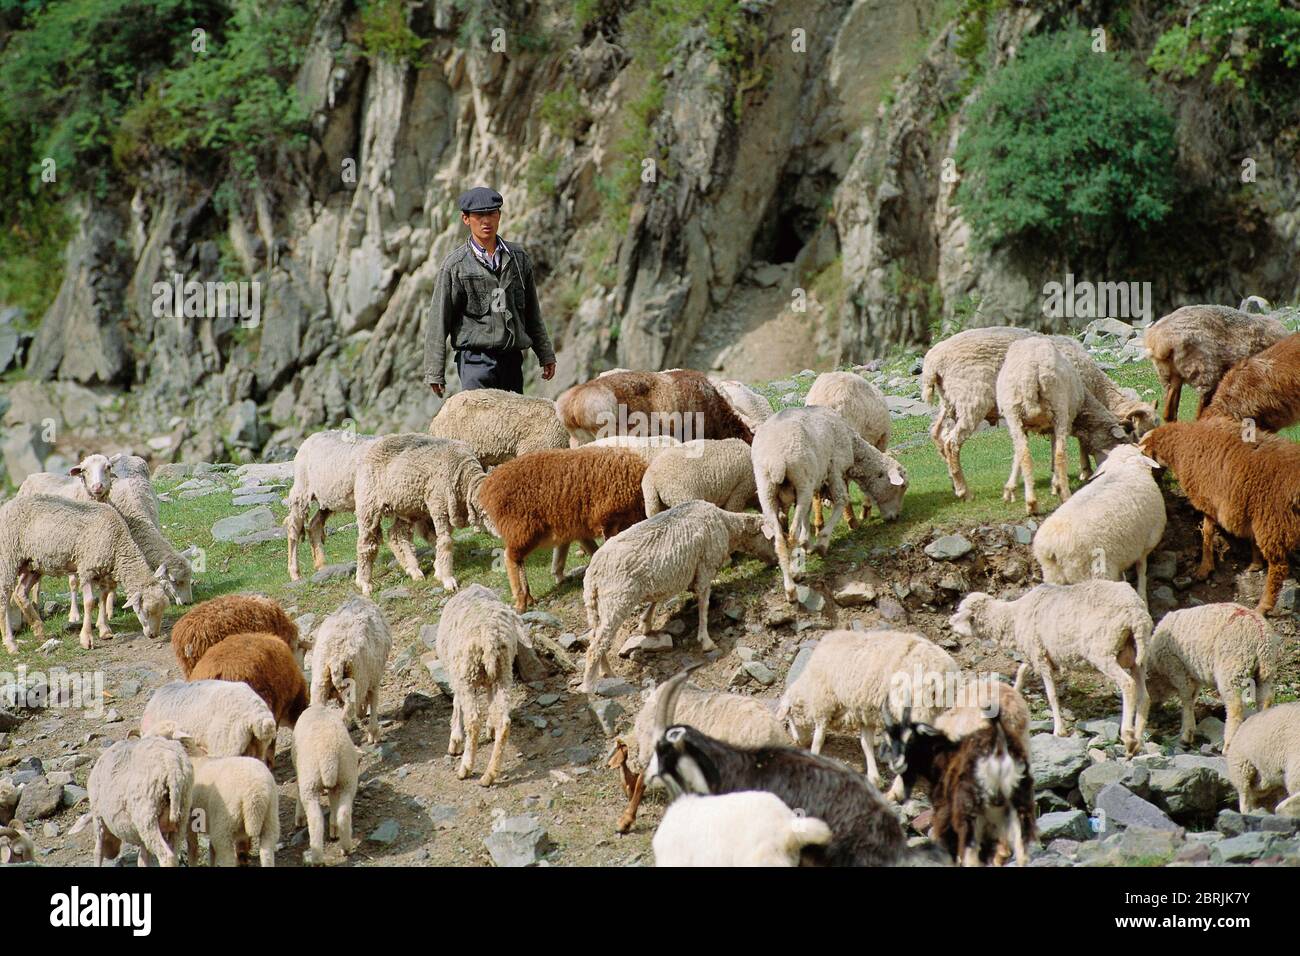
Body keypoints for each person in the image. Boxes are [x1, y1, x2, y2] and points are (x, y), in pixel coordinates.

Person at [423, 186, 557, 395]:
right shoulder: (455, 266)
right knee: (480, 421)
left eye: (492, 213)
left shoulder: (518, 258)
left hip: (512, 359)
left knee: (512, 424)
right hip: (475, 361)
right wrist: (434, 372)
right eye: (479, 215)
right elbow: (438, 320)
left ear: (499, 215)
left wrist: (545, 354)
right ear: (466, 219)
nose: (486, 221)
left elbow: (532, 312)